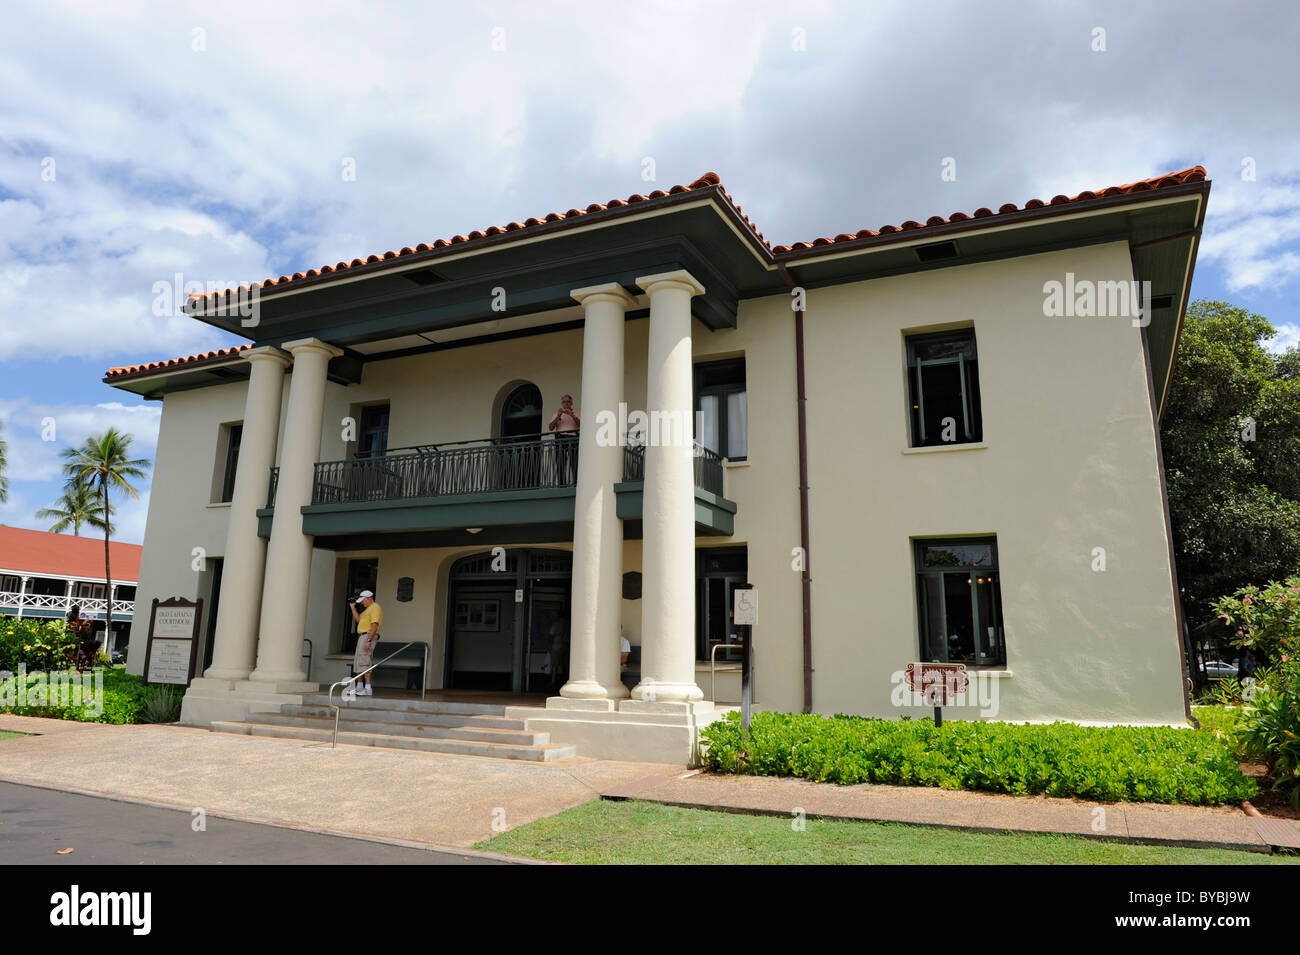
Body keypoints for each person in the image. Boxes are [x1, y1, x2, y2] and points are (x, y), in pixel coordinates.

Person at [348, 590, 383, 696]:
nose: (362, 603)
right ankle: (359, 687)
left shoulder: (375, 607)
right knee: (359, 661)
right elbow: (359, 620)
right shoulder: (367, 610)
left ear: (368, 598)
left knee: (365, 661)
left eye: (363, 601)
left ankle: (367, 688)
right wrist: (353, 607)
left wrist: (369, 640)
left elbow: (375, 625)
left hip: (367, 636)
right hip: (362, 636)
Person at [548, 394, 580, 483]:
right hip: (560, 438)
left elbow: (581, 425)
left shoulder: (577, 413)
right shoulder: (557, 414)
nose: (566, 404)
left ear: (571, 403)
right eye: (564, 402)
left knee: (574, 461)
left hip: (573, 438)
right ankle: (562, 483)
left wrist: (572, 416)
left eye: (568, 402)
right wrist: (558, 416)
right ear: (562, 403)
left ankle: (576, 483)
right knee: (560, 461)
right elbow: (550, 427)